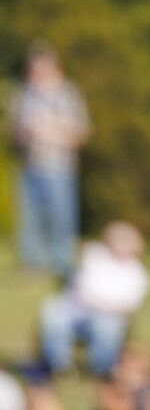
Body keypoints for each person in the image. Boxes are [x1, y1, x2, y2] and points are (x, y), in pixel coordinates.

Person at [7, 44, 89, 278]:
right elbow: (13, 130)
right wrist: (26, 132)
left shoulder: (68, 94)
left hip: (59, 165)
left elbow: (80, 131)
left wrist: (54, 131)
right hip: (30, 164)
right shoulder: (23, 94)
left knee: (61, 216)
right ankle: (32, 262)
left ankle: (61, 261)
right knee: (30, 217)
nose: (36, 75)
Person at [38, 221, 149, 376]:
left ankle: (100, 369)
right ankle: (58, 364)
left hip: (107, 313)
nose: (119, 244)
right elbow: (82, 284)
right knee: (54, 313)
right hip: (76, 308)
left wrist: (103, 304)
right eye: (116, 239)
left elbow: (128, 304)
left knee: (108, 326)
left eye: (125, 240)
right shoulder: (95, 256)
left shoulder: (137, 272)